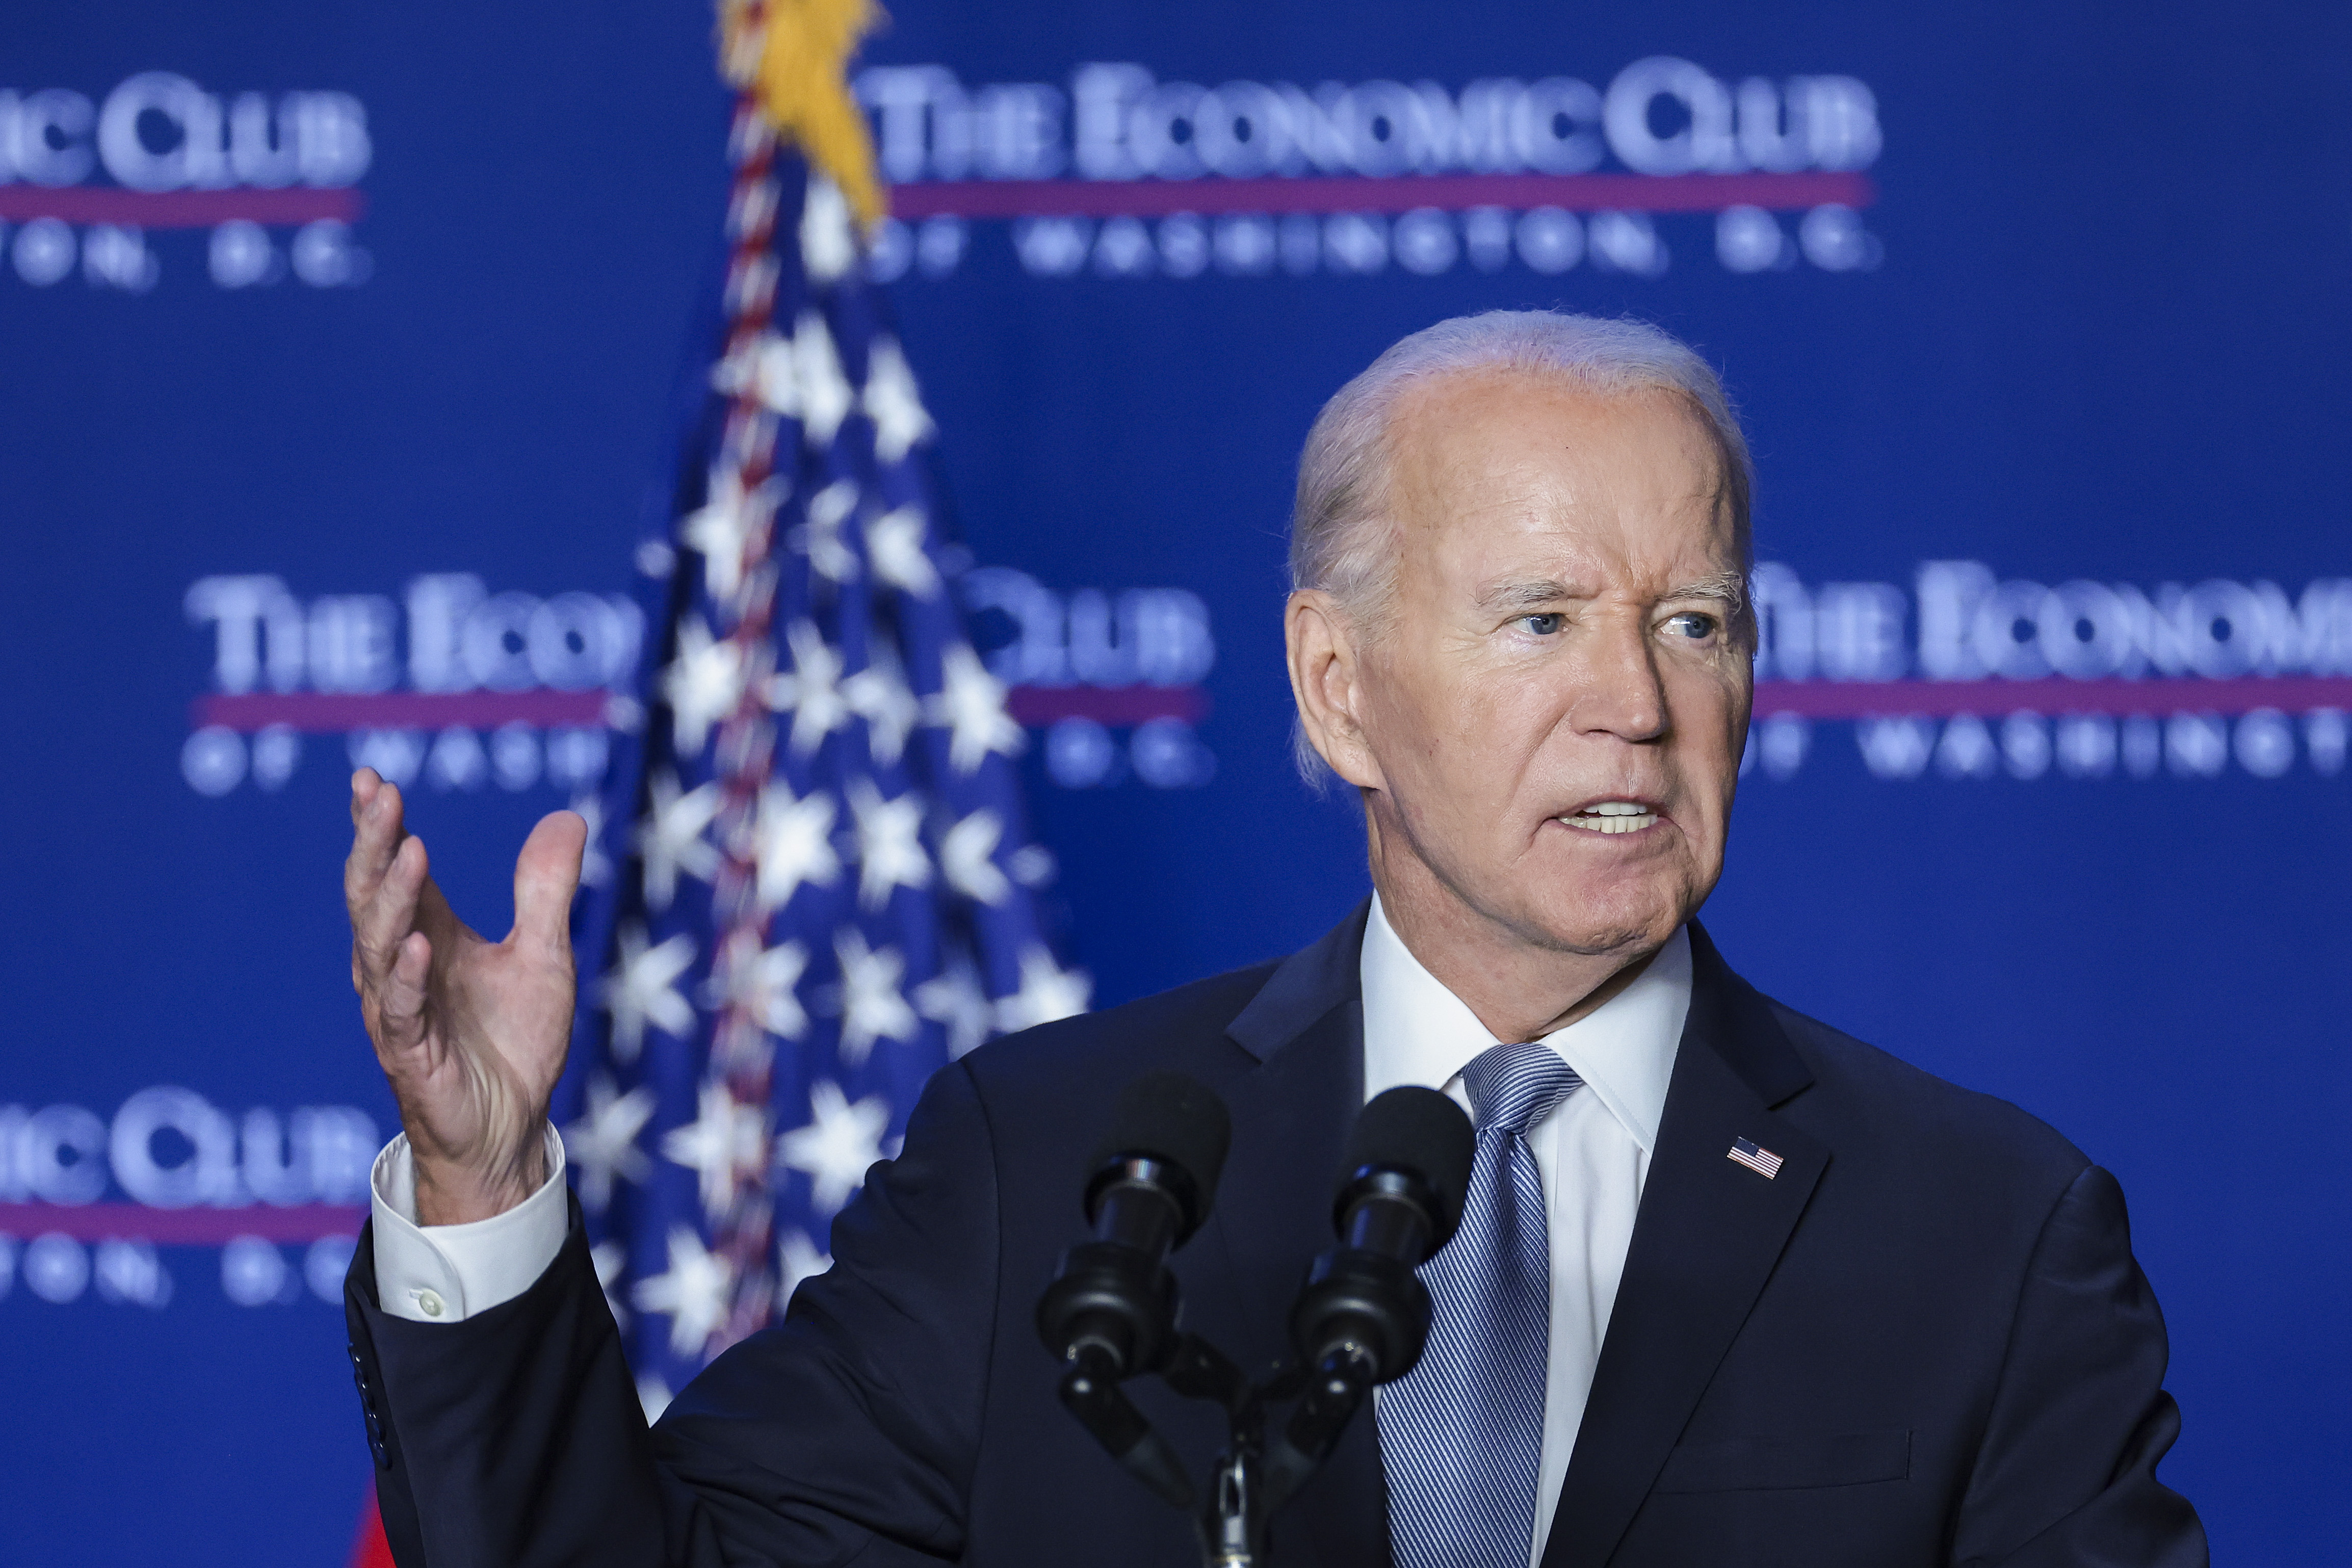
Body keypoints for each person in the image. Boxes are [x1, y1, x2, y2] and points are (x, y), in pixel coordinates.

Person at [341, 310, 2207, 1567]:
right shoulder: (1046, 1163)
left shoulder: (1988, 1233)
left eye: (1695, 621)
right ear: (1337, 690)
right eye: (1542, 619)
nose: (1635, 700)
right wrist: (487, 1174)